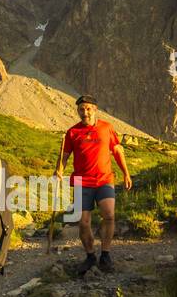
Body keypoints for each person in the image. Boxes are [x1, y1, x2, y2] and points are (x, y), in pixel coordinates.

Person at [54, 94, 132, 276]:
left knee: (109, 215)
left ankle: (105, 254)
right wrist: (59, 170)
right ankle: (90, 256)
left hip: (104, 179)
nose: (85, 112)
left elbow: (118, 151)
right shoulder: (72, 132)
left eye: (88, 108)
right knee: (83, 222)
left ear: (95, 109)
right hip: (82, 181)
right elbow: (64, 156)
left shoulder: (107, 127)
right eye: (81, 109)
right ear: (78, 111)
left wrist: (126, 173)